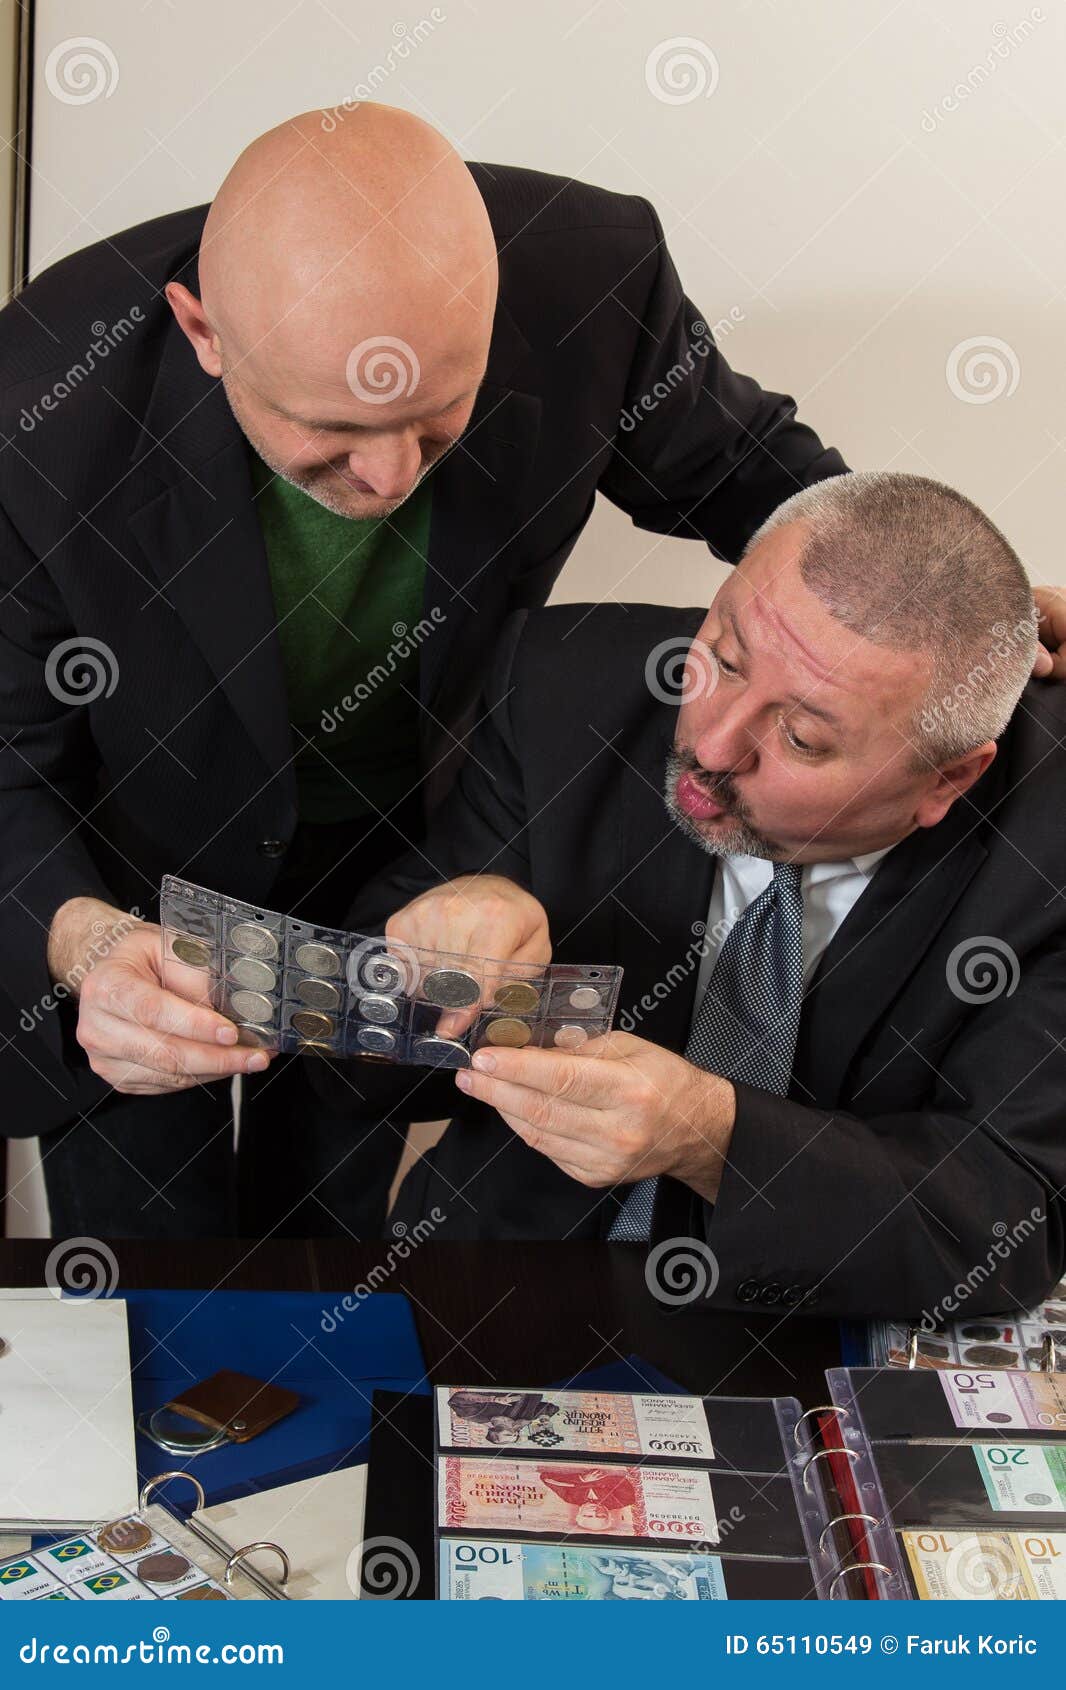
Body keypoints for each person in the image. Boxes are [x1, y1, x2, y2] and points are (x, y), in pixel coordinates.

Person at [0, 101, 861, 1239]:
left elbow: (765, 489)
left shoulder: (591, 282)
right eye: (332, 431)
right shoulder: (41, 398)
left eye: (436, 417)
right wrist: (84, 941)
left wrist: (966, 614)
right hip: (133, 867)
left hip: (410, 853)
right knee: (144, 1247)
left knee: (338, 1218)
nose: (393, 474)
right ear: (204, 334)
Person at [330, 472, 1066, 1319]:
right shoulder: (567, 683)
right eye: (721, 657)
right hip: (496, 1283)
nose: (709, 744)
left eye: (800, 736)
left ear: (949, 777)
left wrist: (712, 1136)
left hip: (818, 1338)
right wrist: (435, 949)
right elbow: (349, 1081)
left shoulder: (1045, 850)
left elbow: (1008, 1223)